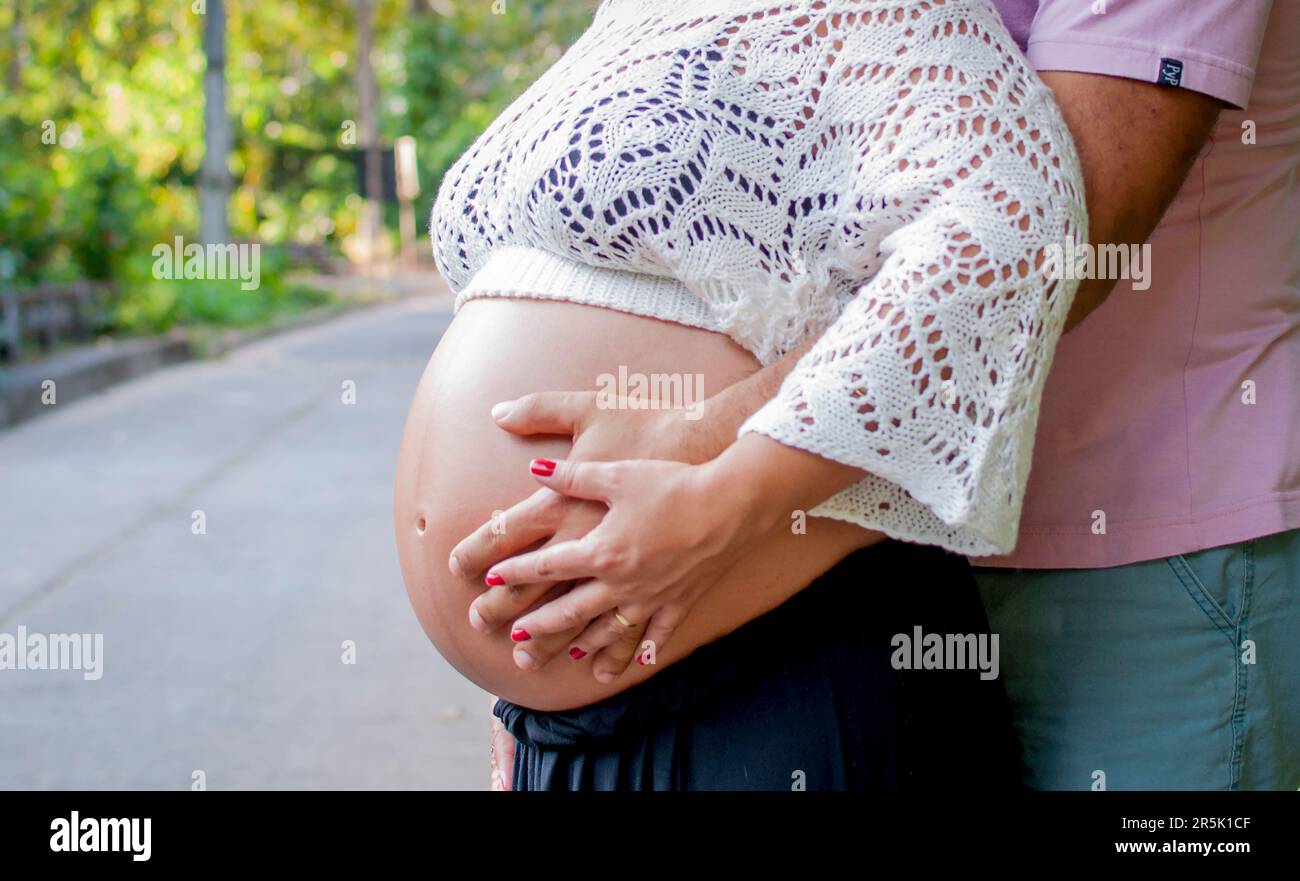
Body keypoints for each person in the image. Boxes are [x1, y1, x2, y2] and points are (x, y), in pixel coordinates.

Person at [469, 0, 1300, 790]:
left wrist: (704, 448)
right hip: (852, 545)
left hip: (1130, 554)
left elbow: (1062, 242)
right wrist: (543, 667)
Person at [394, 0, 1085, 789]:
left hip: (770, 663)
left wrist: (726, 500)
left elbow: (1014, 224)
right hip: (583, 699)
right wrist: (521, 676)